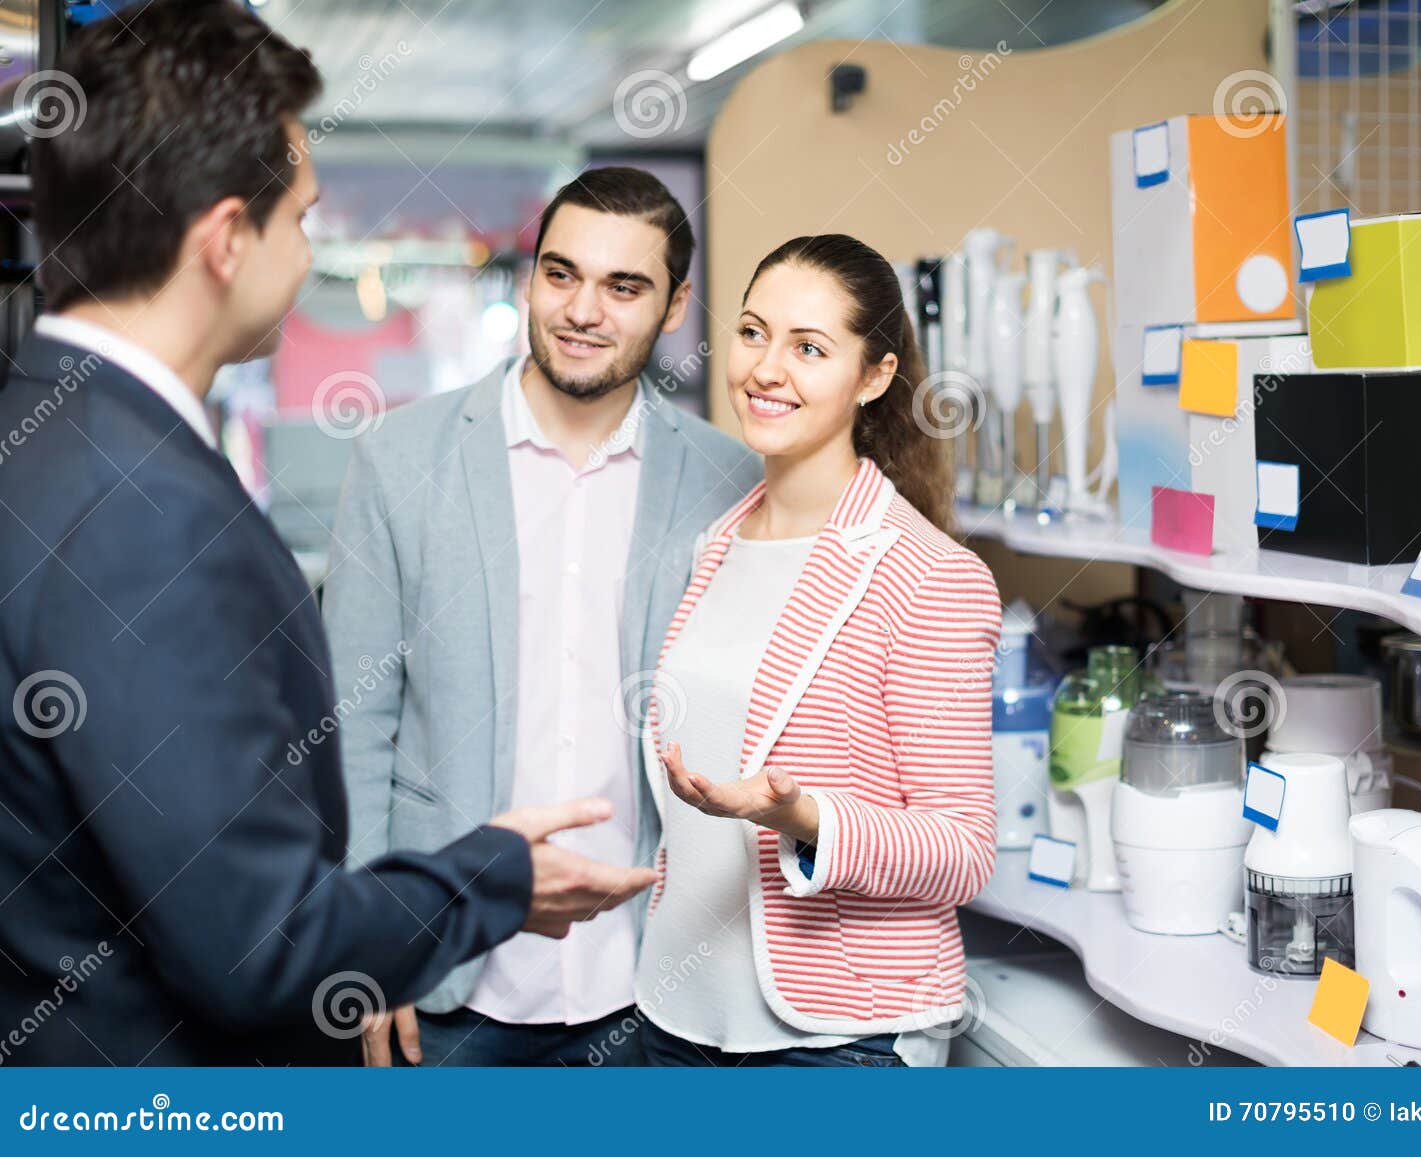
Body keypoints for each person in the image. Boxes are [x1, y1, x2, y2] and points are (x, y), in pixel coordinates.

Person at [0, 0, 654, 1067]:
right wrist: (494, 876)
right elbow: (258, 943)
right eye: (299, 219)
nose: (305, 257)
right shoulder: (142, 514)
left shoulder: (41, 432)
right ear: (224, 241)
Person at [325, 167, 759, 1067]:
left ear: (676, 305)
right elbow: (351, 726)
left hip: (653, 981)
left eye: (624, 286)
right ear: (530, 278)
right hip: (443, 978)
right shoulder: (400, 460)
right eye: (560, 274)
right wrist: (375, 939)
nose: (582, 310)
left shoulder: (729, 480)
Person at [634, 234, 1002, 1067]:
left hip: (835, 1041)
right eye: (753, 332)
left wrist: (806, 819)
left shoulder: (930, 575)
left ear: (873, 376)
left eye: (809, 348)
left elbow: (963, 848)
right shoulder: (716, 546)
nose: (767, 369)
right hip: (674, 1013)